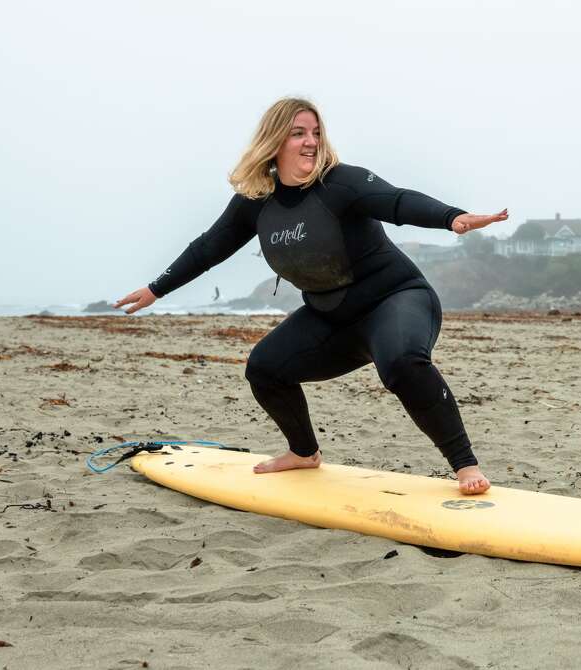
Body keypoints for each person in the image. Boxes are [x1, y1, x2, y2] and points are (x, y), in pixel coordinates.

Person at [116, 97, 507, 495]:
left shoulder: (342, 183)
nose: (311, 142)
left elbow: (398, 201)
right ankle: (303, 453)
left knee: (403, 362)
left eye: (317, 133)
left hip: (396, 300)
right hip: (331, 318)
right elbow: (208, 249)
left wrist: (451, 217)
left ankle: (464, 464)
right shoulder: (257, 202)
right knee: (264, 367)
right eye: (298, 133)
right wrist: (155, 289)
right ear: (274, 141)